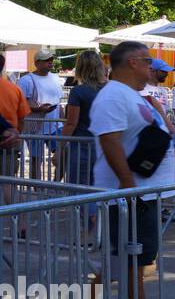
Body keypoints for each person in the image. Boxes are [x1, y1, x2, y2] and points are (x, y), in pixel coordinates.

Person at [89, 41, 175, 299]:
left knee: (130, 255)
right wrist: (129, 186)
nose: (151, 67)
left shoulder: (129, 95)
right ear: (133, 63)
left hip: (139, 192)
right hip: (129, 194)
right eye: (148, 61)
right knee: (127, 254)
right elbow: (110, 140)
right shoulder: (113, 96)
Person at [61, 49, 106, 198]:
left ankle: (89, 219)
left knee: (80, 192)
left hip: (83, 148)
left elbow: (71, 123)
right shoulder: (112, 88)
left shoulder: (78, 92)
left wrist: (60, 148)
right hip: (107, 146)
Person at [19, 47, 64, 178]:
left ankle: (56, 185)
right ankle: (38, 190)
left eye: (51, 59)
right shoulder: (26, 80)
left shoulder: (56, 78)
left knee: (62, 155)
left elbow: (59, 102)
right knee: (35, 160)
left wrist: (63, 121)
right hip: (34, 127)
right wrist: (38, 109)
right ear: (37, 63)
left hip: (55, 126)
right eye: (46, 60)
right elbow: (21, 103)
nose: (50, 62)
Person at [0, 54, 32, 192]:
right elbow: (22, 117)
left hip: (9, 137)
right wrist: (16, 133)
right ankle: (15, 213)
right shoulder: (14, 89)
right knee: (8, 181)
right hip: (10, 139)